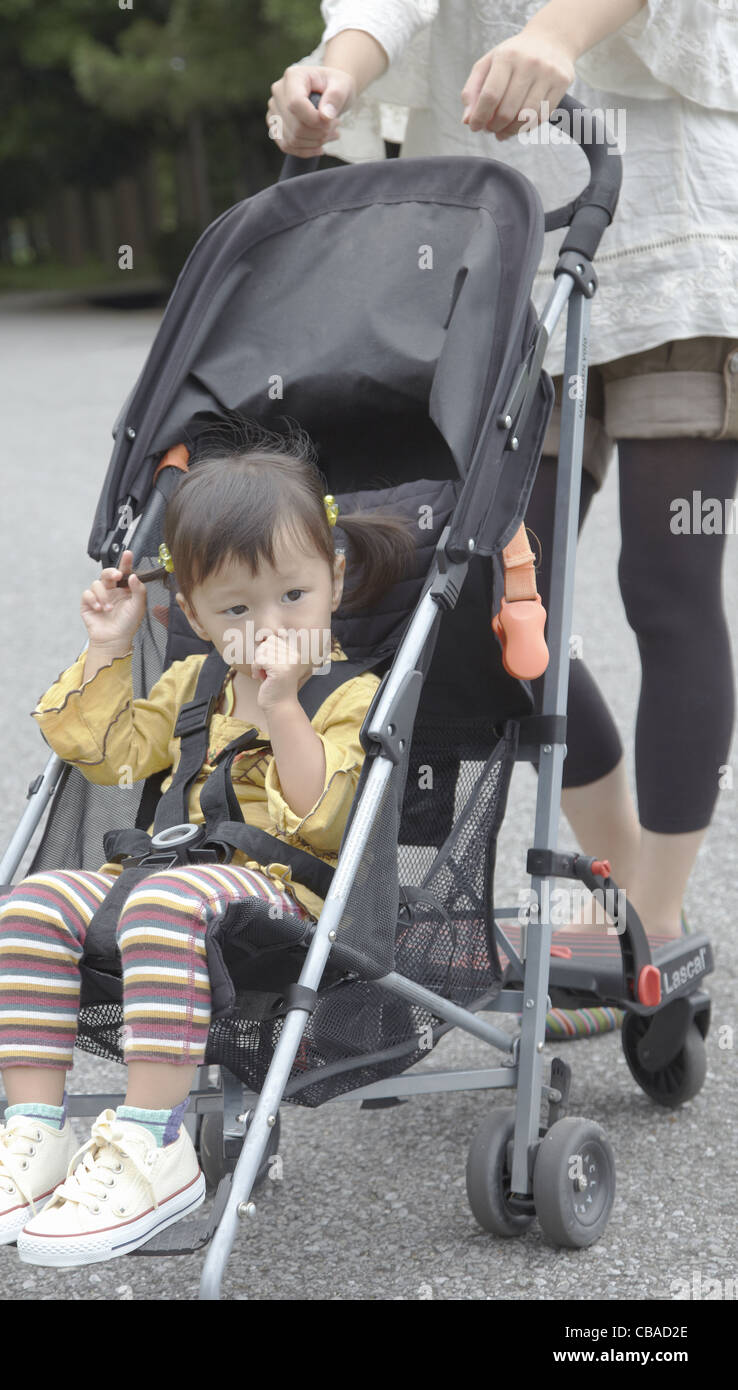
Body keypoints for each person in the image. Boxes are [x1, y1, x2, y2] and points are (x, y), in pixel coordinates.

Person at [268, 1, 738, 1036]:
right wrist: (333, 74)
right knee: (479, 577)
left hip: (673, 200)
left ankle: (654, 928)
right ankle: (615, 894)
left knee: (666, 585)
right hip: (503, 228)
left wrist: (559, 34)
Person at [0, 420, 416, 1266]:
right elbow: (105, 749)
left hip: (284, 900)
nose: (268, 624)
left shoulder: (348, 692)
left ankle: (155, 1143)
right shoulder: (194, 684)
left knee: (161, 898)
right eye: (236, 609)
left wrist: (285, 708)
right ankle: (34, 1131)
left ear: (334, 580)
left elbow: (327, 817)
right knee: (38, 900)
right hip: (167, 879)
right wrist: (109, 649)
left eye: (292, 598)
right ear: (191, 612)